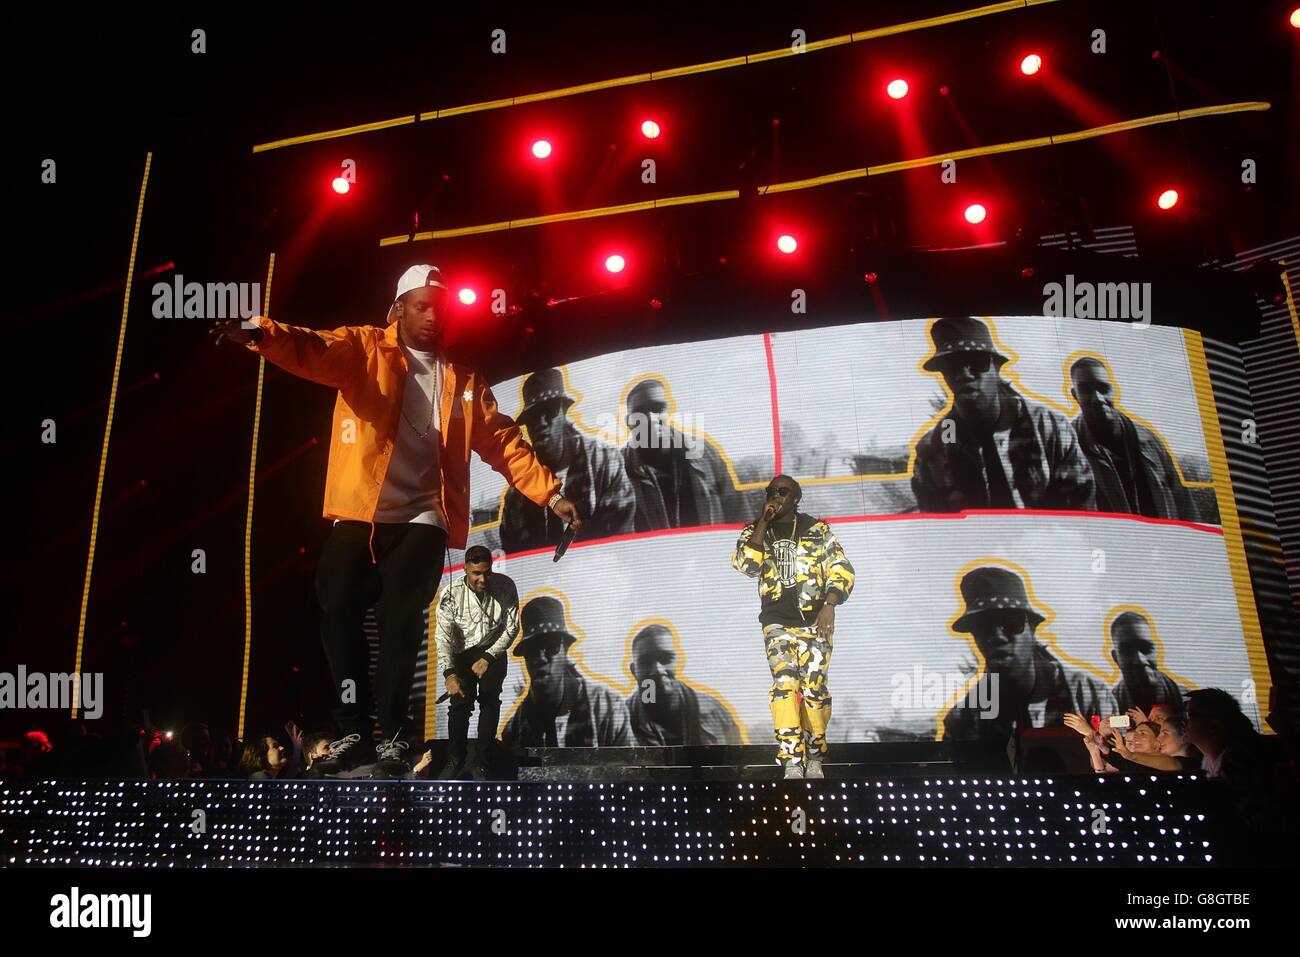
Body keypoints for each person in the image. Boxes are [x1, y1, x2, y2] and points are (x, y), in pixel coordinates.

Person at [211, 265, 581, 776]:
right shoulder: (364, 350)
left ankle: (393, 734)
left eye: (440, 308)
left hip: (423, 517)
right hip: (360, 513)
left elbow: (502, 441)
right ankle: (354, 730)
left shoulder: (463, 379)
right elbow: (312, 347)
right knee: (337, 608)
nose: (432, 317)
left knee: (400, 621)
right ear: (398, 310)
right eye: (421, 306)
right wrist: (260, 332)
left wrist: (550, 493)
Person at [731, 475, 855, 779]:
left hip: (815, 622)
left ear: (795, 498)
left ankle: (815, 755)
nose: (775, 496)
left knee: (814, 691)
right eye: (771, 492)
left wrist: (830, 605)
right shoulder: (755, 531)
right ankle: (791, 759)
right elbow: (747, 566)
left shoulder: (817, 530)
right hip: (777, 623)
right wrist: (763, 522)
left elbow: (841, 569)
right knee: (784, 685)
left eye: (782, 492)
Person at [912, 317, 1094, 512]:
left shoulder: (1050, 429)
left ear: (997, 368)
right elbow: (936, 524)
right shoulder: (932, 449)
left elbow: (1082, 514)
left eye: (977, 362)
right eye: (951, 366)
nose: (964, 374)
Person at [943, 566, 1117, 743]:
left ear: (1032, 629)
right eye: (982, 627)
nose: (996, 637)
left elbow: (1121, 750)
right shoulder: (963, 720)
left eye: (1010, 623)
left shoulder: (1090, 696)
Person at [499, 368, 634, 553]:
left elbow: (620, 543)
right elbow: (514, 554)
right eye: (533, 417)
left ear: (564, 413)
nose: (541, 423)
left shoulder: (605, 463)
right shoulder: (518, 494)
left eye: (550, 411)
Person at [1068, 356, 1198, 520]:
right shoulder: (1067, 446)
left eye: (1103, 388)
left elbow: (1181, 499)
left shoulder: (1148, 439)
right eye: (1086, 390)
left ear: (1113, 390)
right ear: (1075, 395)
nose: (1098, 399)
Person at [500, 596, 634, 747]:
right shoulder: (514, 732)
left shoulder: (608, 710)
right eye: (532, 649)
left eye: (551, 646)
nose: (541, 658)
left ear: (565, 650)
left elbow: (629, 763)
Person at [434, 545, 519, 779]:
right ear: (465, 570)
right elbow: (443, 638)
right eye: (476, 573)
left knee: (490, 701)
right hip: (462, 653)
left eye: (486, 572)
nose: (482, 579)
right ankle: (455, 758)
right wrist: (450, 674)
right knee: (459, 705)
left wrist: (488, 657)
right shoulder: (451, 594)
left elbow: (512, 627)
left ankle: (483, 760)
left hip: (493, 650)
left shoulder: (505, 586)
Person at [620, 378, 745, 531]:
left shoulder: (704, 452)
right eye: (639, 412)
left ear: (668, 412)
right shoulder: (616, 469)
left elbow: (738, 512)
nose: (651, 419)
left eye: (657, 408)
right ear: (628, 422)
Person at [624, 623, 743, 746]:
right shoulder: (621, 720)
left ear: (677, 662)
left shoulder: (714, 711)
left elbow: (740, 757)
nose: (658, 670)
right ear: (634, 670)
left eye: (665, 659)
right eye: (646, 662)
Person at [1107, 610, 1185, 715]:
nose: (1140, 660)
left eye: (1146, 648)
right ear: (1116, 658)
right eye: (1127, 651)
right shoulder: (1109, 707)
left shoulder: (1188, 702)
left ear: (1156, 651)